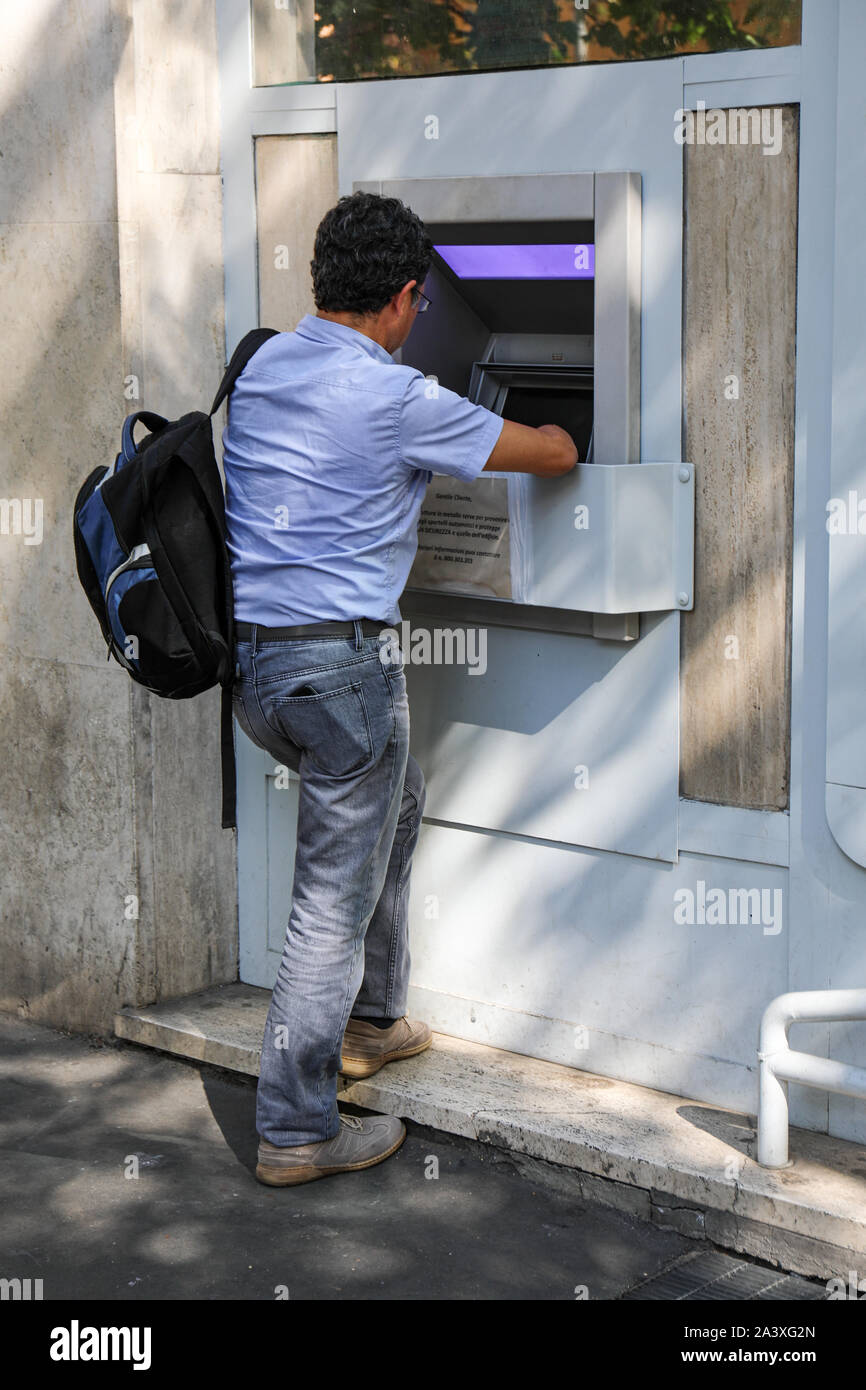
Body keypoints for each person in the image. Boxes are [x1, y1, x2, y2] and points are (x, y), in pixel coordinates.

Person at [224, 191, 577, 1187]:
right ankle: (295, 1129)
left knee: (396, 800)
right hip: (341, 672)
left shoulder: (260, 367)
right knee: (324, 910)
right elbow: (550, 453)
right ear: (410, 299)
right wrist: (564, 428)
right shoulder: (397, 395)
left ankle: (376, 1017)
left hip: (258, 674)